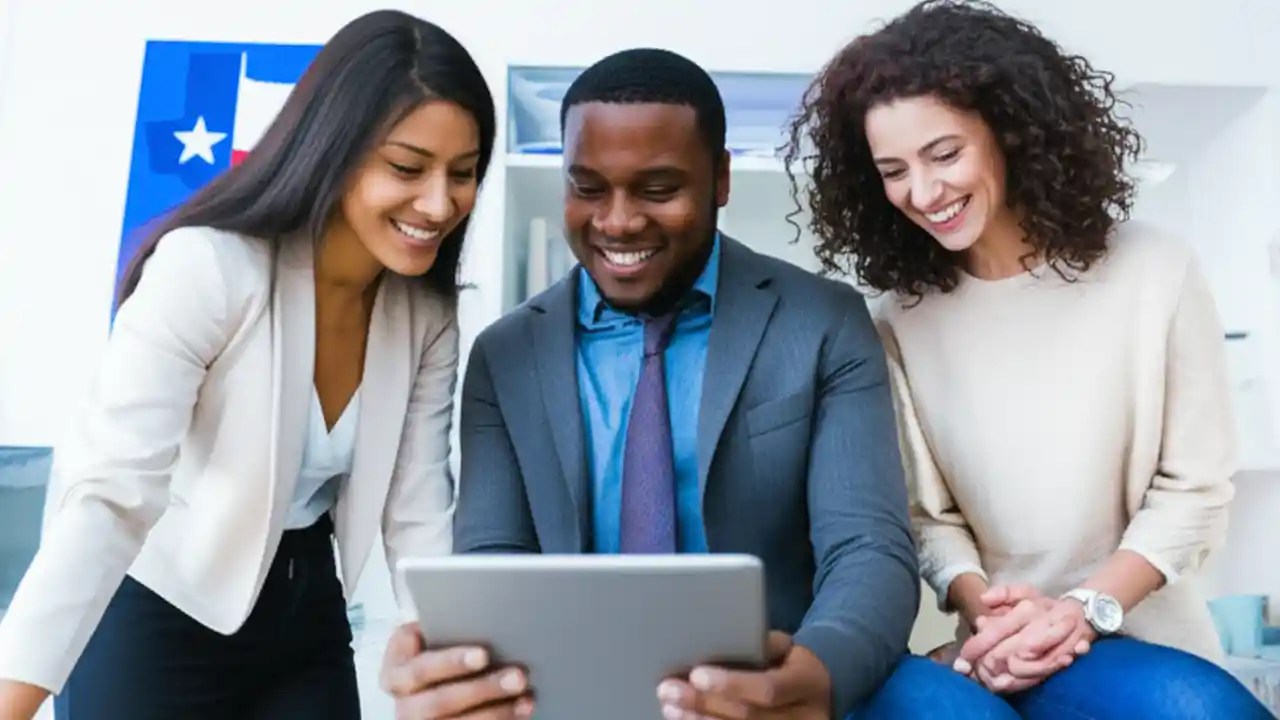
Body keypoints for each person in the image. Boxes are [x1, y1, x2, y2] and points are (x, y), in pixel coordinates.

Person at [379, 46, 1024, 720]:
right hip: (570, 688)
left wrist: (817, 672)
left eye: (658, 190)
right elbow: (492, 559)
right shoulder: (505, 355)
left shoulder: (822, 322)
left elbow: (867, 547)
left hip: (780, 671)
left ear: (720, 179)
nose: (618, 221)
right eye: (588, 187)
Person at [782, 0, 1272, 717]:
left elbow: (1193, 491)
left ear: (1009, 132)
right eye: (893, 170)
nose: (922, 192)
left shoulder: (1154, 272)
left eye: (944, 154)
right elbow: (928, 518)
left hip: (1144, 644)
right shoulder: (898, 321)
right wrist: (995, 617)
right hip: (995, 651)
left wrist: (1081, 610)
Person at [0, 10, 494, 720]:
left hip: (305, 614)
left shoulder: (427, 315)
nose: (440, 202)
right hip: (158, 608)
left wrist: (458, 669)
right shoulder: (207, 267)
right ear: (337, 149)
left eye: (464, 173)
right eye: (407, 168)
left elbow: (416, 514)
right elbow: (109, 499)